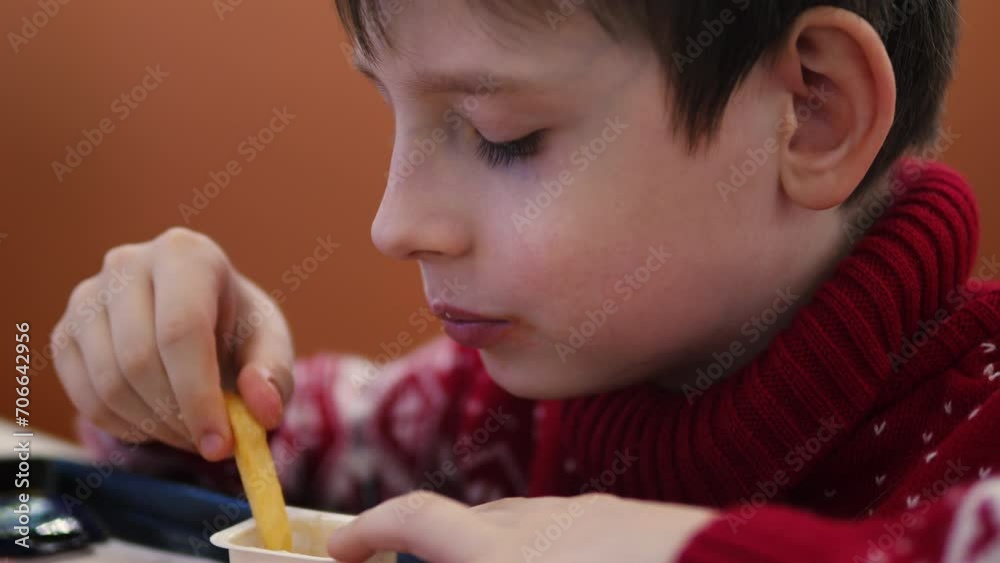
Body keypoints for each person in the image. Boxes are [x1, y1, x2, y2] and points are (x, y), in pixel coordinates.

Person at [55, 1, 1000, 561]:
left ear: (811, 111)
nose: (394, 224)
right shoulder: (489, 412)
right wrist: (184, 373)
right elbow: (258, 465)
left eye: (505, 136)